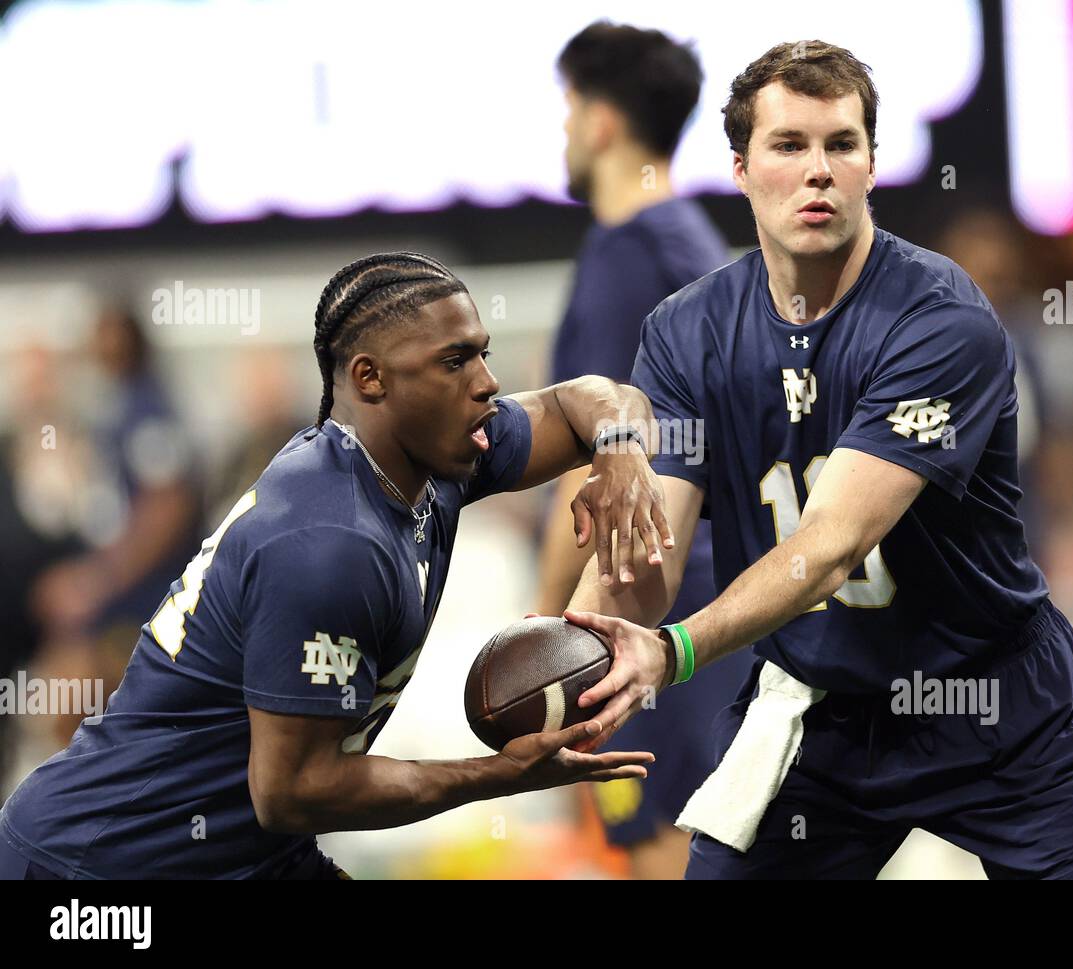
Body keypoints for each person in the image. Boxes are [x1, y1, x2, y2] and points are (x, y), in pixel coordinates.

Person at [562, 41, 1073, 879]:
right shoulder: (685, 331)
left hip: (993, 696)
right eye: (789, 145)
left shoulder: (939, 318)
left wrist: (673, 651)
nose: (819, 170)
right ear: (740, 167)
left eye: (841, 145)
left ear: (873, 164)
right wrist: (577, 657)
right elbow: (647, 552)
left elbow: (832, 544)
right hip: (820, 713)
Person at [0, 252, 664, 879]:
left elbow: (588, 399)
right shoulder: (331, 543)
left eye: (483, 354)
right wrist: (498, 775)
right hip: (102, 865)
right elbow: (292, 792)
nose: (487, 382)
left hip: (245, 854)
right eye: (455, 360)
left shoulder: (430, 452)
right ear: (370, 378)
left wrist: (622, 450)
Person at [535, 19, 750, 878]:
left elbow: (604, 465)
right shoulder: (691, 243)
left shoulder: (628, 257)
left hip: (646, 597)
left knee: (669, 852)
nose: (562, 128)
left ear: (602, 122)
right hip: (716, 600)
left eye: (569, 106)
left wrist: (546, 626)